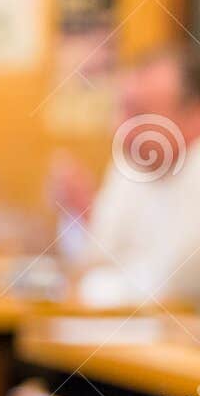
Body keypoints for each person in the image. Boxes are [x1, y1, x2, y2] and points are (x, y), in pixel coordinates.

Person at [53, 43, 200, 308]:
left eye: (139, 114)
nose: (119, 128)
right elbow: (89, 261)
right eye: (121, 110)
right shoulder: (131, 167)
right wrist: (80, 212)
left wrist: (96, 284)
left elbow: (170, 286)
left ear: (194, 116)